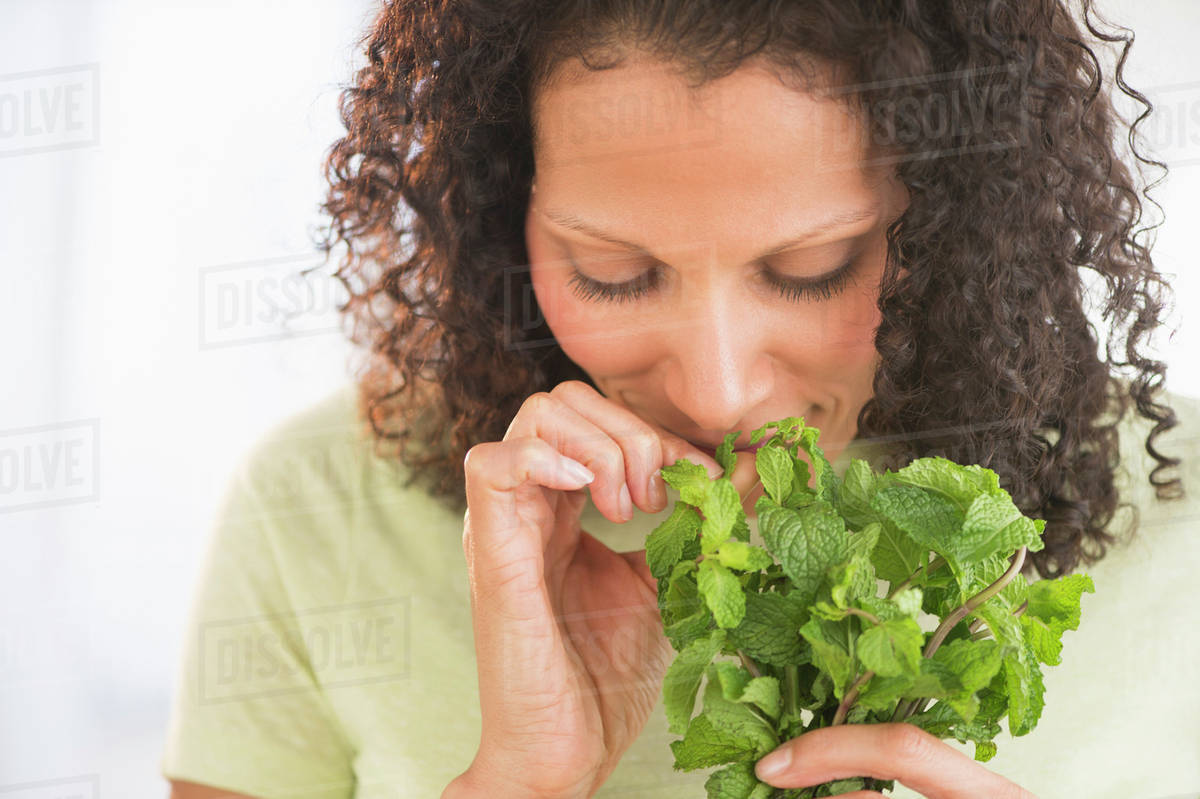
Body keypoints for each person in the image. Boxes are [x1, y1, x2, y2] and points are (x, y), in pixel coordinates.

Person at [161, 1, 1199, 797]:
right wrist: (519, 780)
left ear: (962, 214)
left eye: (814, 267)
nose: (718, 387)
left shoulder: (1183, 512)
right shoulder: (316, 503)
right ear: (498, 205)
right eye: (611, 273)